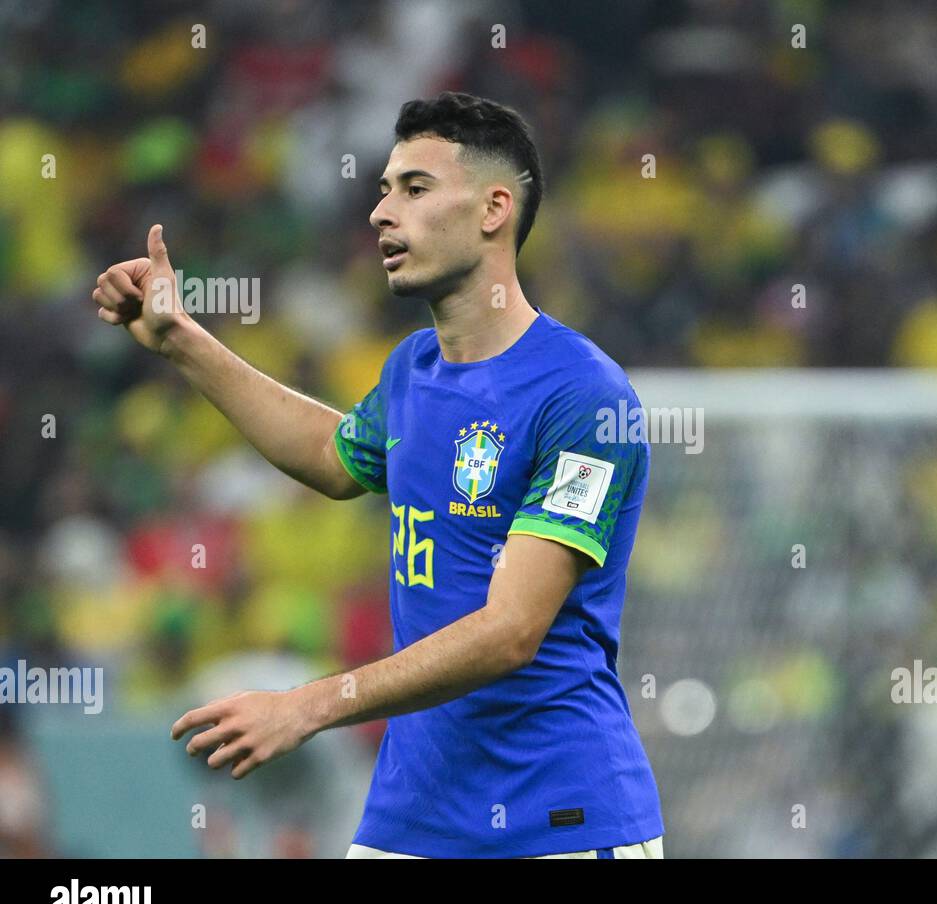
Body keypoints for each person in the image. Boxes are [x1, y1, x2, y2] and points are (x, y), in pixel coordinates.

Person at [91, 91, 664, 859]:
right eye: (384, 189)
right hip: (411, 817)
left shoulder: (583, 396)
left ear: (495, 208)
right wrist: (181, 341)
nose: (381, 213)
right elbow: (332, 458)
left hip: (556, 817)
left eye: (415, 188)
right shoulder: (412, 372)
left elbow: (510, 632)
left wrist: (308, 706)